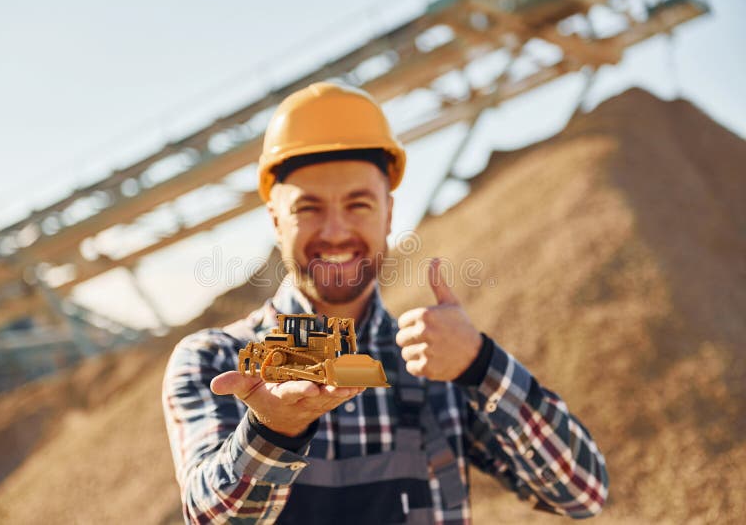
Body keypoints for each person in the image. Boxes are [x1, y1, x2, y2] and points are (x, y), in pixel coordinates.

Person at [162, 82, 608, 525]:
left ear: (389, 214)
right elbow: (209, 520)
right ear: (276, 220)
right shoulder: (219, 362)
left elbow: (582, 494)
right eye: (309, 208)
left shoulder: (441, 367)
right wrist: (271, 432)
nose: (335, 231)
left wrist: (480, 365)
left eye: (358, 204)